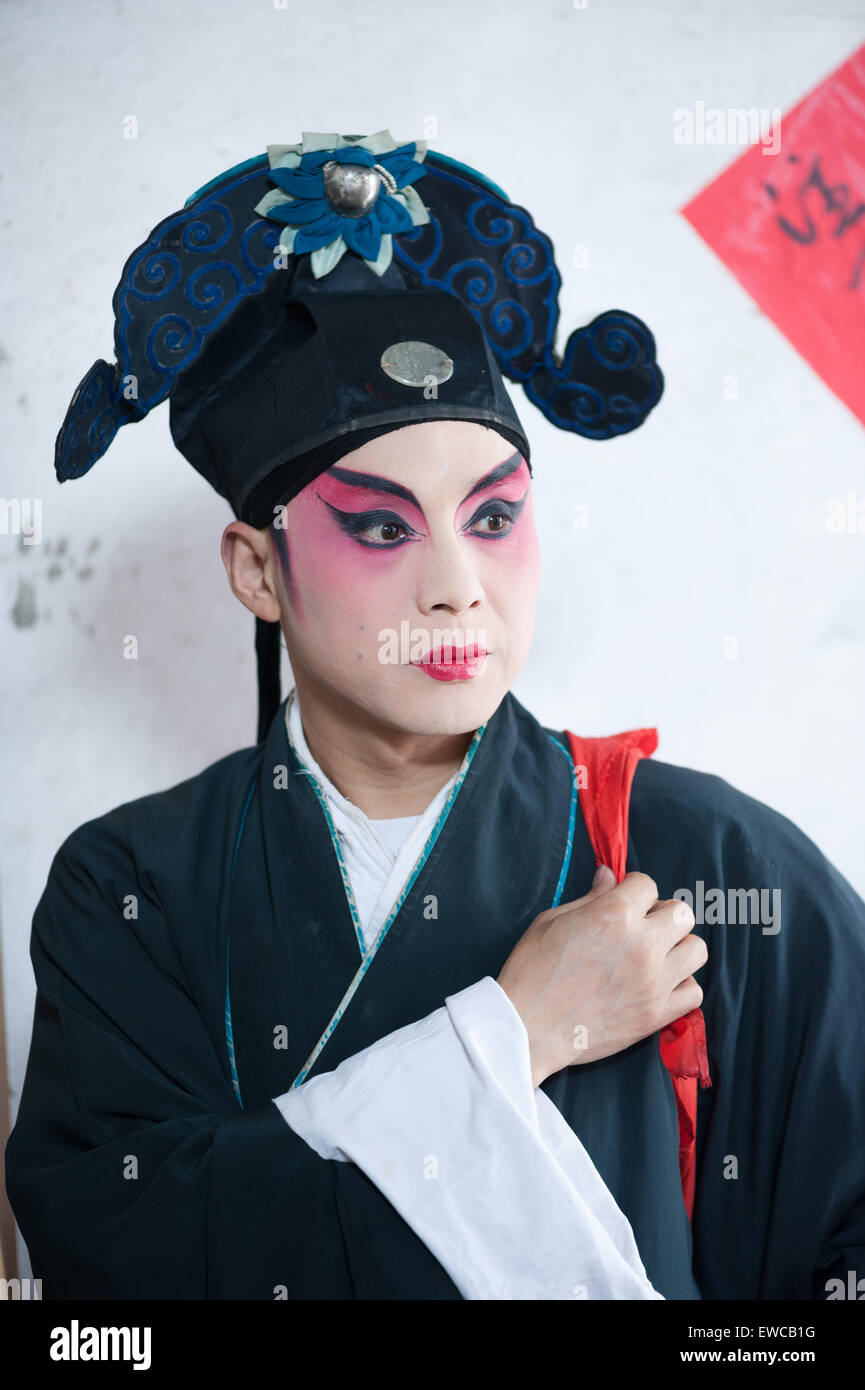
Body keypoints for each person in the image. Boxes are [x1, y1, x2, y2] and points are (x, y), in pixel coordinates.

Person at [5, 130, 864, 1301]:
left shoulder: (709, 866)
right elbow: (112, 1276)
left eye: (495, 517)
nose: (458, 582)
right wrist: (512, 1035)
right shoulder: (129, 893)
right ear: (258, 572)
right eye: (380, 526)